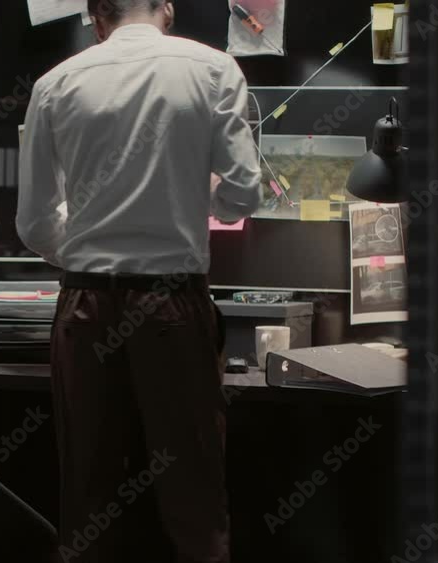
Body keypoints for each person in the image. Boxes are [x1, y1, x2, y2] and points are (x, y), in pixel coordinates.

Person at [16, 0, 262, 561]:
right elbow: (244, 194)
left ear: (97, 17)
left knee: (88, 491)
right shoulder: (214, 69)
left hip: (85, 305)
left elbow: (32, 223)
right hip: (172, 306)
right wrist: (201, 200)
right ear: (167, 10)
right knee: (194, 488)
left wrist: (83, 251)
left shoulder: (55, 83)